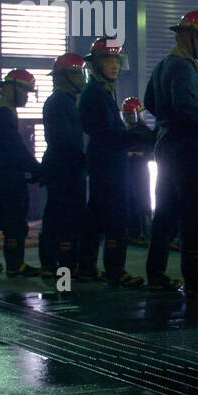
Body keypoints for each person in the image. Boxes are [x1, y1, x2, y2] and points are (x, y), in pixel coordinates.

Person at [144, 10, 198, 294]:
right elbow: (188, 109)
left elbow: (150, 101)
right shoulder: (184, 68)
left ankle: (156, 274)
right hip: (188, 149)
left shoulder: (163, 65)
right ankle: (196, 281)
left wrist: (167, 120)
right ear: (194, 36)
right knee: (194, 217)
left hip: (165, 146)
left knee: (164, 214)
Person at [78, 38, 145, 288]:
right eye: (108, 59)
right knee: (116, 217)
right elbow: (105, 132)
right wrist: (133, 136)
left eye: (117, 59)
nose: (114, 65)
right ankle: (116, 270)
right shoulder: (95, 94)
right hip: (108, 163)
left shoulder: (102, 90)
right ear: (95, 63)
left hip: (104, 161)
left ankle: (86, 267)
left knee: (95, 217)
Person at [0, 70, 43, 276]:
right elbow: (15, 147)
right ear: (9, 88)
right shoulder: (3, 113)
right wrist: (37, 169)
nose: (26, 96)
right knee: (14, 220)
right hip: (9, 177)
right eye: (24, 91)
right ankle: (15, 264)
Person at [39, 53, 88, 283]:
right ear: (66, 76)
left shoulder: (65, 102)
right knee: (63, 218)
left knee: (57, 216)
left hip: (66, 167)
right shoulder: (59, 103)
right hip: (64, 170)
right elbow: (64, 140)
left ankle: (55, 264)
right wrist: (83, 159)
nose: (82, 79)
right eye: (79, 74)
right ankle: (62, 268)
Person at [121, 97, 154, 245]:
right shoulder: (124, 132)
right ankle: (133, 231)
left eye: (130, 114)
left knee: (143, 199)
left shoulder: (144, 132)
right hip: (128, 171)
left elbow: (152, 150)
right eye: (127, 114)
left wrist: (139, 155)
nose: (129, 117)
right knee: (130, 200)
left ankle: (144, 232)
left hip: (140, 170)